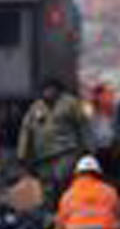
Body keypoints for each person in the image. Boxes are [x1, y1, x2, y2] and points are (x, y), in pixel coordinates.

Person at [17, 78, 93, 208]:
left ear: (57, 89)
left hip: (66, 151)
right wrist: (23, 155)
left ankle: (67, 209)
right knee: (48, 189)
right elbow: (26, 131)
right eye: (45, 90)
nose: (47, 93)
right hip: (43, 156)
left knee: (63, 181)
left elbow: (83, 126)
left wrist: (88, 148)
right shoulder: (36, 108)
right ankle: (51, 214)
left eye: (50, 89)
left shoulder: (70, 104)